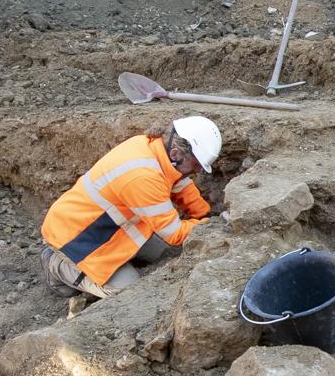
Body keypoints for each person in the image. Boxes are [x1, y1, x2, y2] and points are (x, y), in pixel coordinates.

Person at [39, 117, 221, 299]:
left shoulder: (155, 150)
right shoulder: (142, 176)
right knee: (129, 292)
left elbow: (180, 183)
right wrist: (209, 225)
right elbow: (175, 234)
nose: (197, 171)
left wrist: (203, 214)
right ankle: (57, 266)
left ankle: (117, 260)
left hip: (113, 227)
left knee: (166, 254)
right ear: (176, 154)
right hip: (77, 238)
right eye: (196, 165)